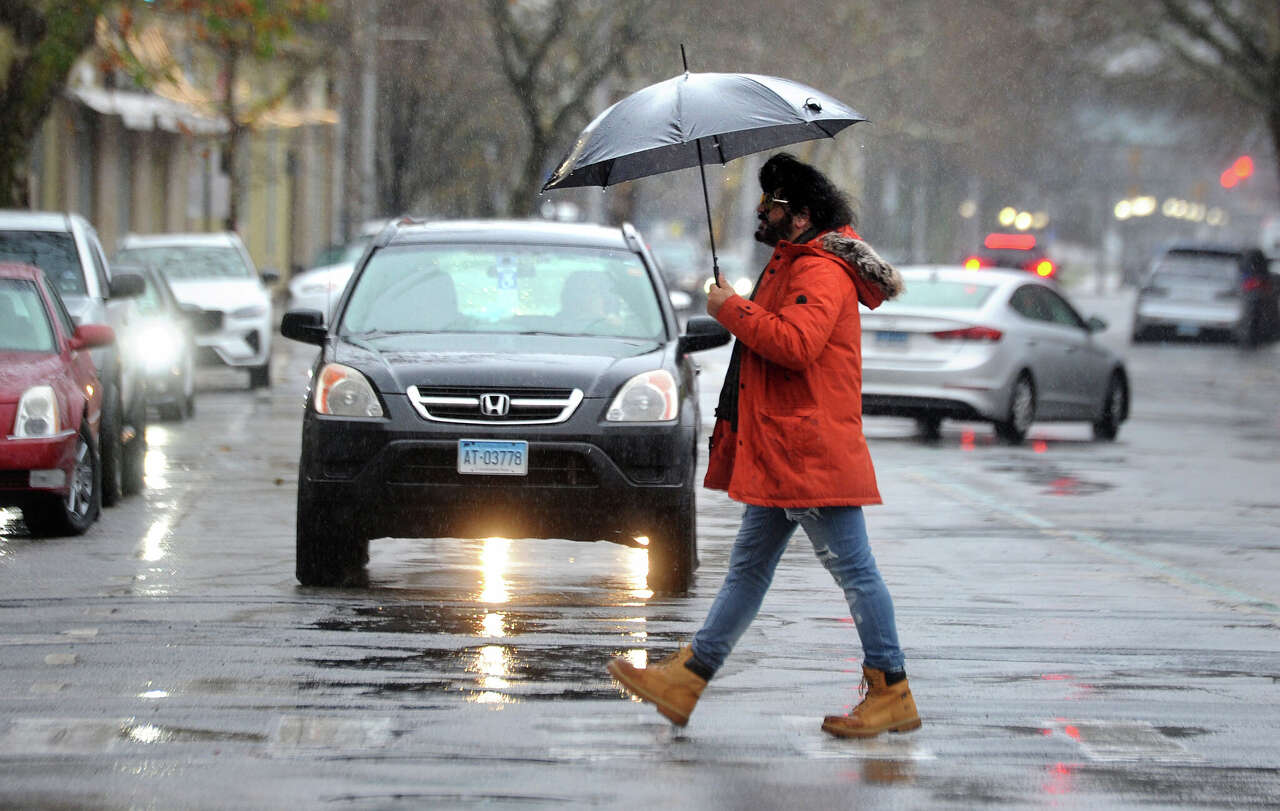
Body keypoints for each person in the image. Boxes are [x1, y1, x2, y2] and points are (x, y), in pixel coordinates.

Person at [607, 152, 918, 739]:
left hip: (807, 450)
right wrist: (740, 305)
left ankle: (891, 688)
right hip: (785, 446)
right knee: (748, 569)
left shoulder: (820, 271)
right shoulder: (794, 260)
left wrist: (731, 309)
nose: (760, 211)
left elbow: (795, 344)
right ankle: (686, 679)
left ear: (798, 214)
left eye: (769, 203)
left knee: (854, 569)